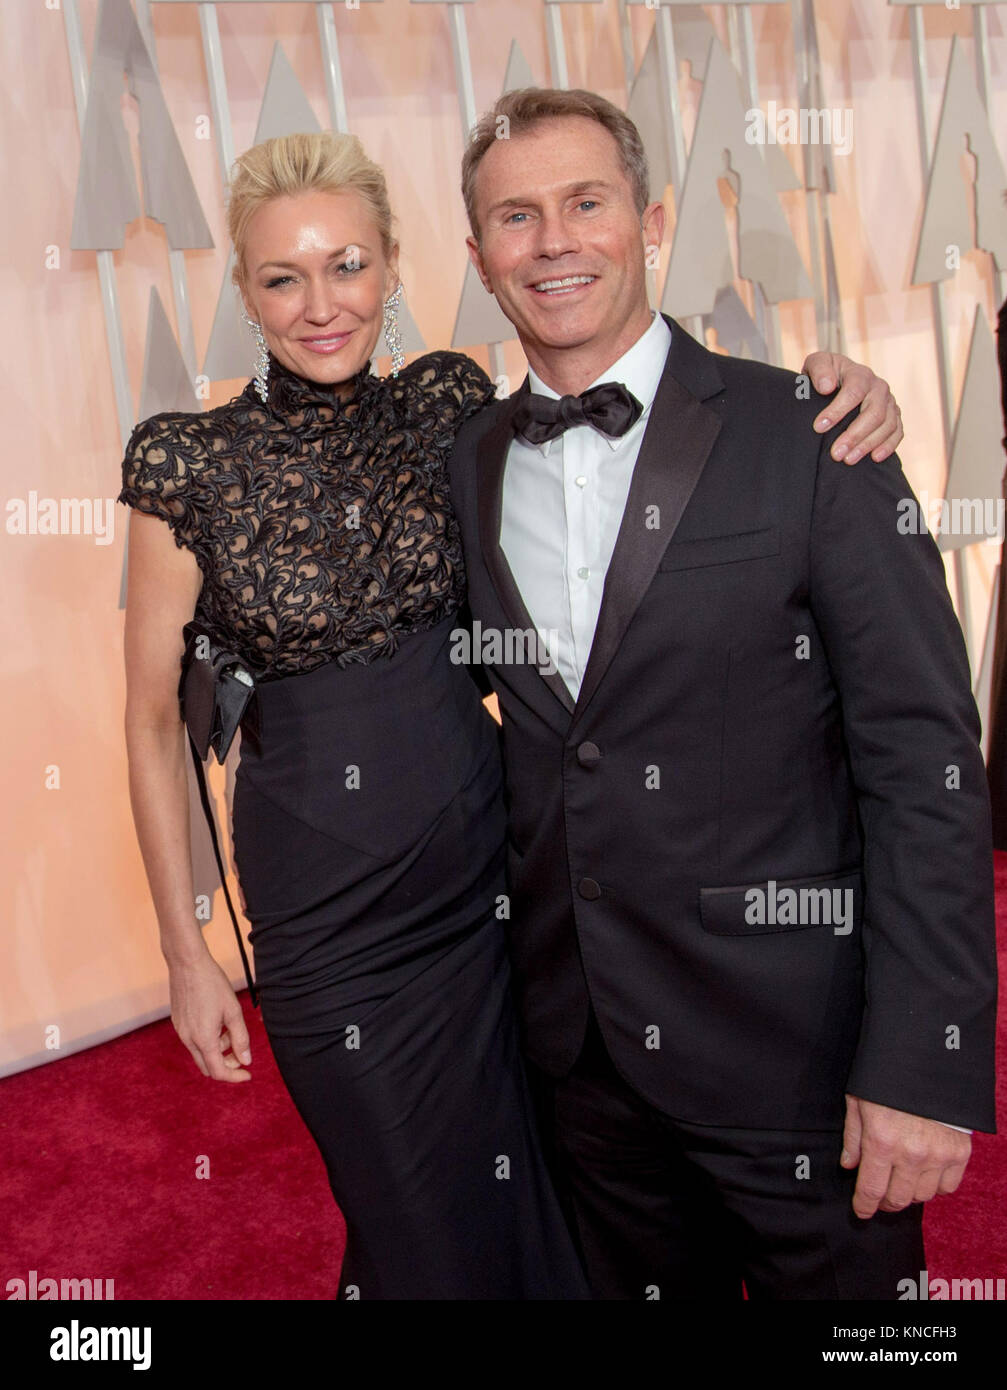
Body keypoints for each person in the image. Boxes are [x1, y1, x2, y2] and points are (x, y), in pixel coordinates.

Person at [119, 128, 904, 1301]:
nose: (319, 303)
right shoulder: (184, 463)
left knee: (538, 1216)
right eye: (282, 276)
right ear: (243, 289)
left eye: (346, 266)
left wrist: (832, 382)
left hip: (492, 898)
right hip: (328, 919)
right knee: (420, 1226)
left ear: (392, 269)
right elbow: (147, 723)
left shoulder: (449, 411)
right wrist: (187, 957)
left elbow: (628, 435)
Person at [448, 87, 998, 1300]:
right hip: (584, 1066)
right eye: (516, 217)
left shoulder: (812, 435)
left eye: (585, 204)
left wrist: (921, 1062)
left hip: (797, 1058)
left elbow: (924, 763)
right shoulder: (468, 462)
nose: (553, 242)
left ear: (648, 221)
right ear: (477, 255)